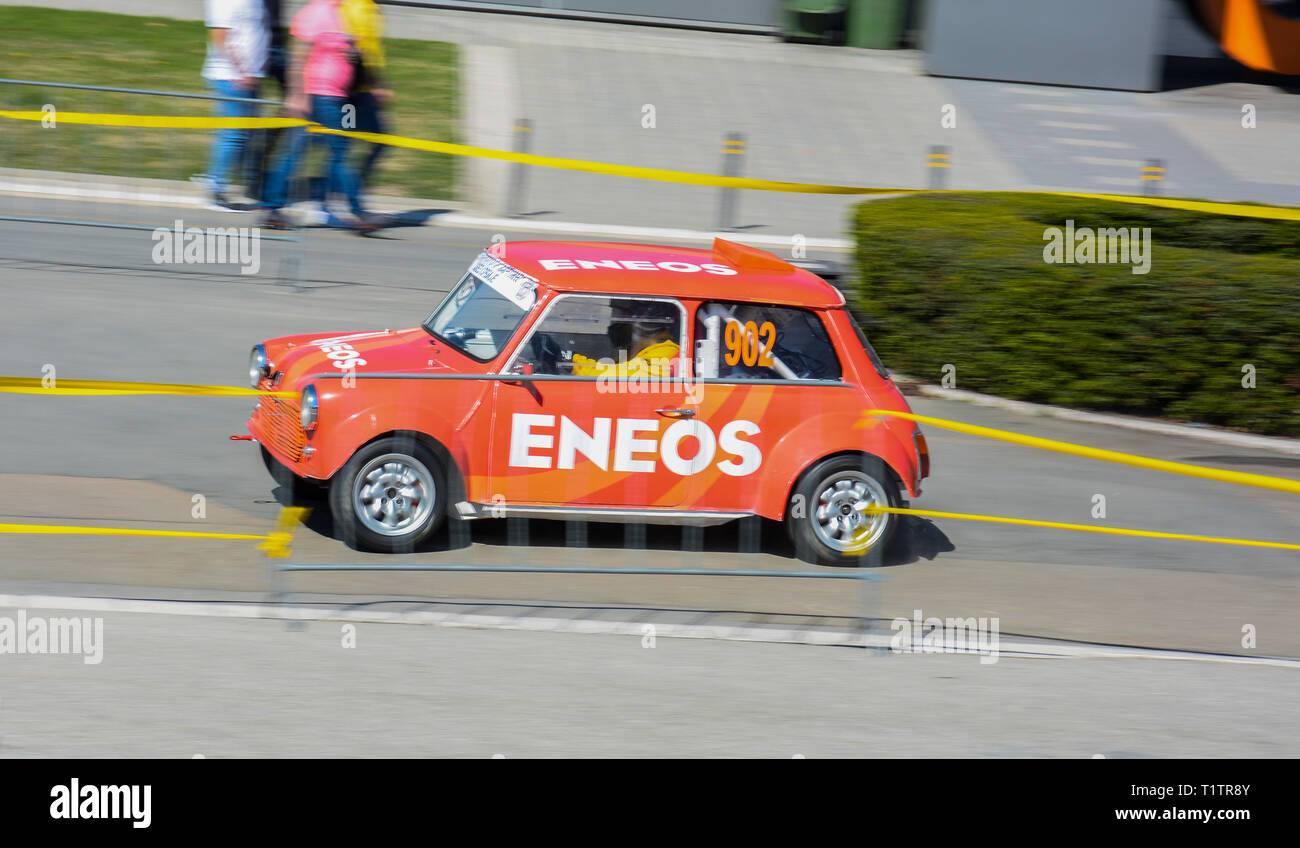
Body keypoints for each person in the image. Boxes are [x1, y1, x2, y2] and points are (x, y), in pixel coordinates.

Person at [260, 0, 380, 231]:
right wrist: (297, 95)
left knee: (301, 151)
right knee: (339, 154)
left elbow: (346, 52)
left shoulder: (340, 12)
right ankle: (357, 212)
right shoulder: (316, 11)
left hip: (340, 97)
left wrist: (354, 55)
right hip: (320, 96)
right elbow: (298, 57)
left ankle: (273, 208)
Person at [202, 0, 269, 211]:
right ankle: (216, 189)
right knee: (233, 134)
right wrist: (240, 70)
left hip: (250, 76)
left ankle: (237, 182)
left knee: (247, 134)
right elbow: (220, 36)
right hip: (230, 77)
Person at [571, 301, 681, 378]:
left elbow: (606, 377)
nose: (615, 323)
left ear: (646, 322)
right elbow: (609, 368)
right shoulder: (635, 352)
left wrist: (571, 360)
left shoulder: (664, 355)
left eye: (621, 316)